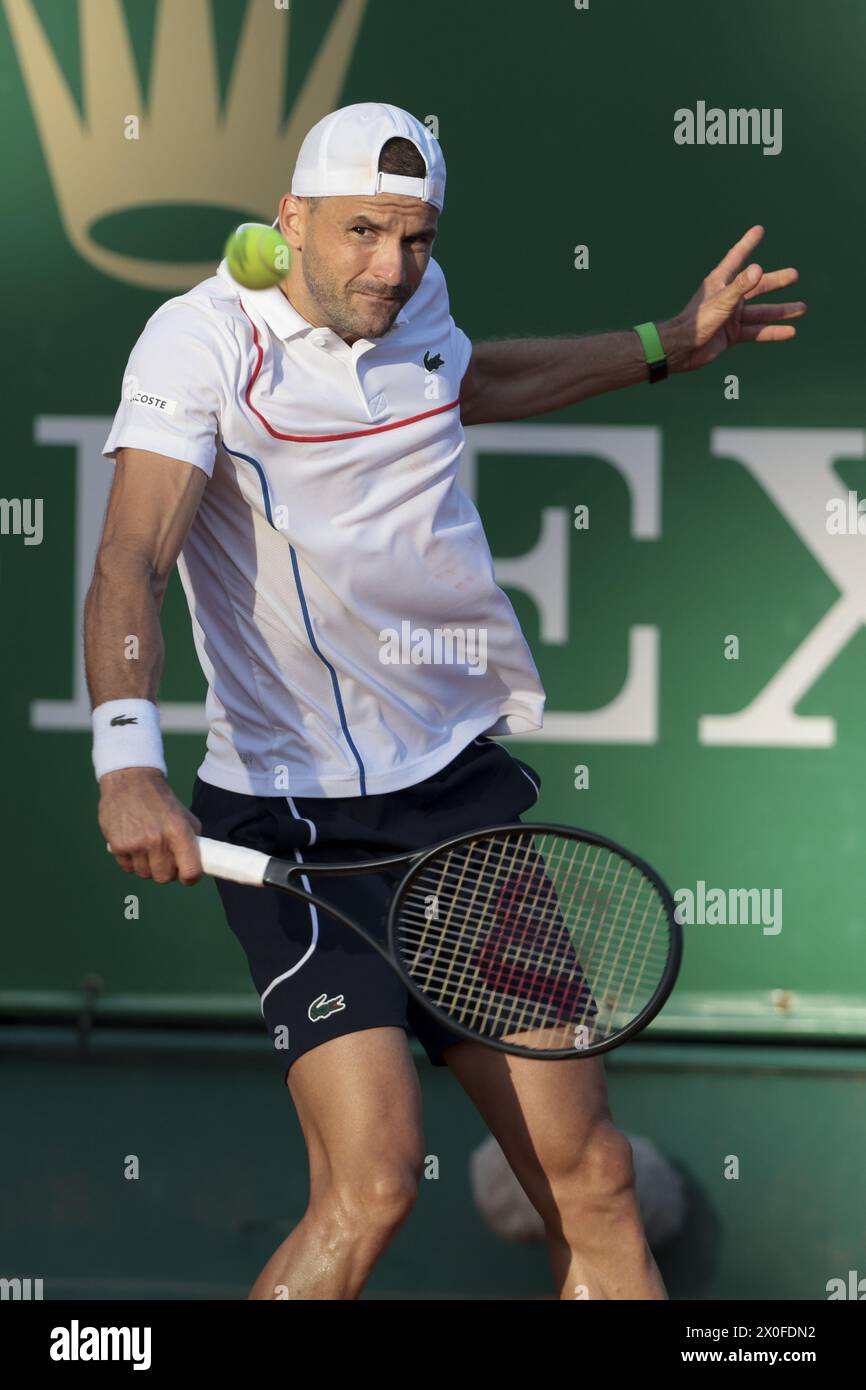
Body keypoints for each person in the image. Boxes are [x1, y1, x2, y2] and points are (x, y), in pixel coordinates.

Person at [85, 102, 805, 1300]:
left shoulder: (416, 301)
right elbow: (130, 560)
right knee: (370, 1184)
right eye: (361, 231)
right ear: (291, 220)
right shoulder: (198, 342)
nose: (389, 266)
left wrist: (665, 341)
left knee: (594, 1183)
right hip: (293, 823)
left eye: (414, 238)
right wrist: (125, 758)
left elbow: (471, 377)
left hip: (459, 805)